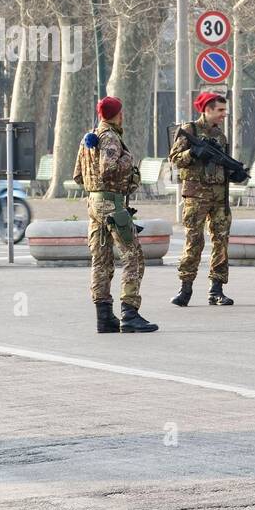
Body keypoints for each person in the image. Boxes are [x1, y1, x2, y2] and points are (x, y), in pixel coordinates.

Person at [73, 96, 157, 334]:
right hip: (111, 202)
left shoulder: (88, 137)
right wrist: (127, 160)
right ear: (118, 114)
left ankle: (104, 316)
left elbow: (78, 175)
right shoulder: (110, 137)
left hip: (93, 202)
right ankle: (129, 313)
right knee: (133, 255)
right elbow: (108, 168)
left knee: (101, 259)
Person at [168, 91, 235, 306]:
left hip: (219, 197)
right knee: (194, 242)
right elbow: (175, 159)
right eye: (220, 110)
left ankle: (216, 289)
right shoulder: (189, 130)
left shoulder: (220, 136)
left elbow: (222, 164)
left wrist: (234, 172)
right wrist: (193, 154)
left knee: (221, 242)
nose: (224, 114)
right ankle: (185, 289)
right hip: (196, 197)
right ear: (207, 109)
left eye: (225, 110)